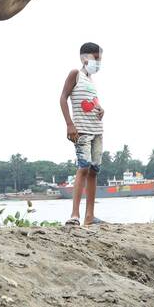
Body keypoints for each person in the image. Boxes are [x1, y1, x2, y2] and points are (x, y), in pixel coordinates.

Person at [60, 42, 106, 226]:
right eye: (96, 58)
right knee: (83, 167)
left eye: (100, 59)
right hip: (82, 130)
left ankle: (90, 216)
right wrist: (69, 124)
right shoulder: (75, 74)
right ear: (84, 58)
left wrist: (100, 108)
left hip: (97, 130)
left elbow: (92, 101)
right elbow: (63, 97)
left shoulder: (91, 81)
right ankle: (74, 215)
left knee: (94, 170)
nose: (98, 62)